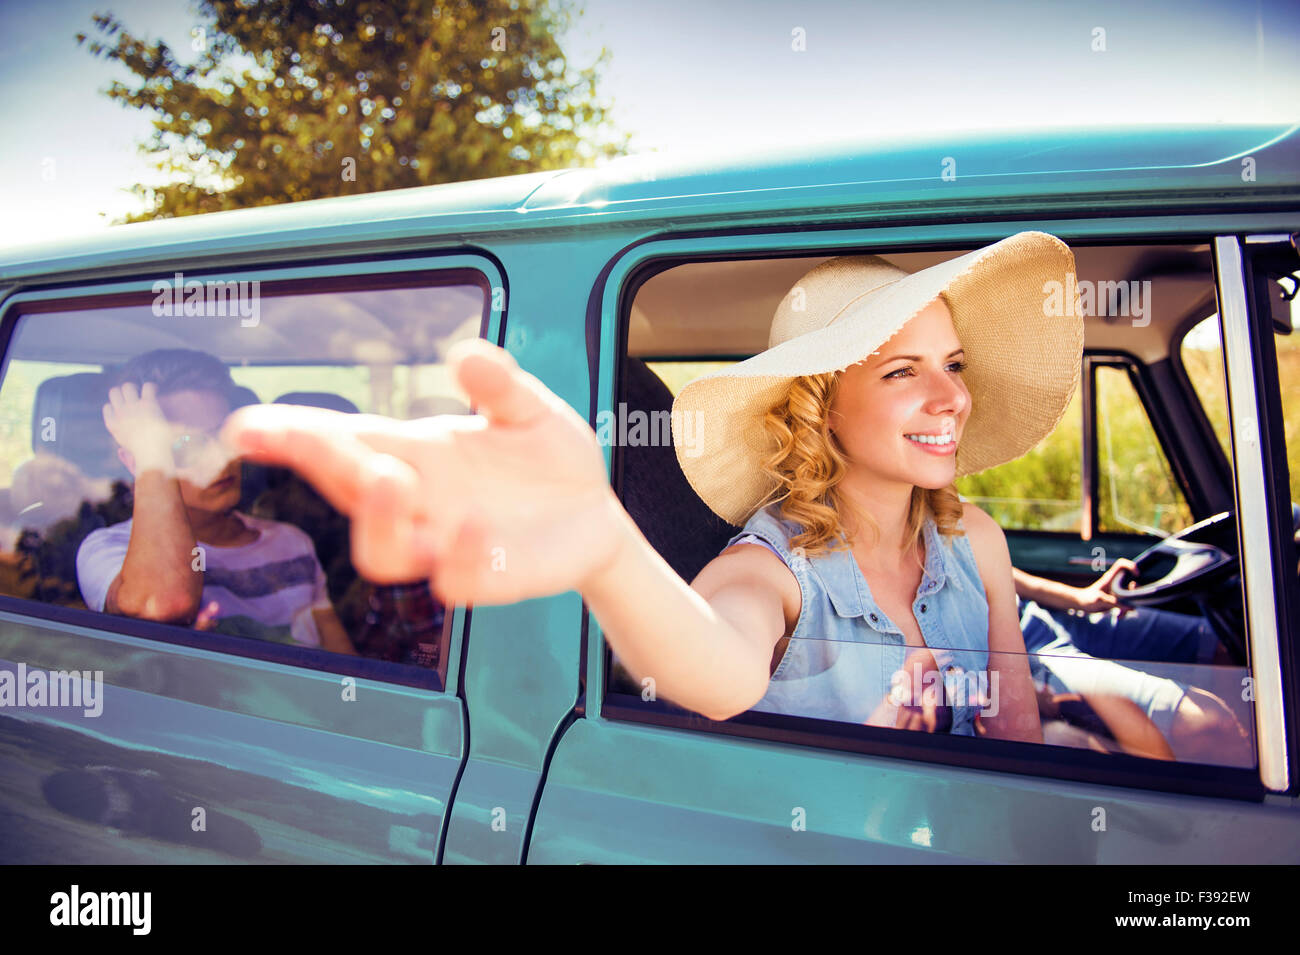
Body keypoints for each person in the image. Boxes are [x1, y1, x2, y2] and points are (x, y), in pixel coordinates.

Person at [218, 232, 1087, 740]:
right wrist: (603, 544)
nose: (953, 398)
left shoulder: (977, 539)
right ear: (822, 407)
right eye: (904, 371)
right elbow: (711, 666)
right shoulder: (772, 573)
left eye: (955, 363)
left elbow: (1017, 743)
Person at [75, 349, 355, 654]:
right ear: (136, 460)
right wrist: (152, 454)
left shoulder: (292, 542)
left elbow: (338, 657)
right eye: (186, 445)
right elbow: (162, 605)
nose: (219, 459)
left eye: (222, 434)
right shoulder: (107, 551)